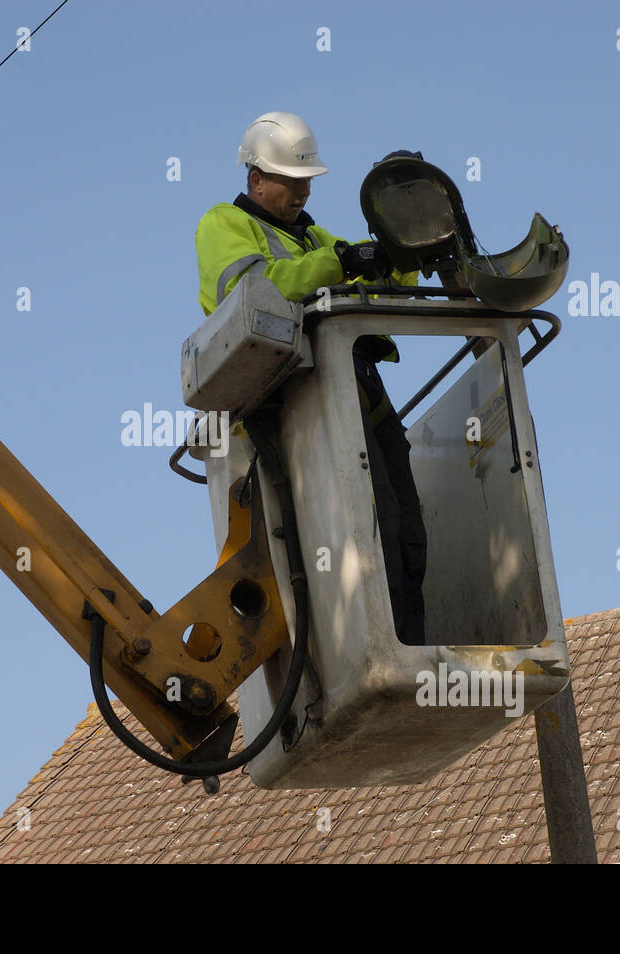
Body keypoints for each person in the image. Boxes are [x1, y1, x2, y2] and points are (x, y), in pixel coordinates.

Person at [194, 111, 427, 645]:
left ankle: (411, 648)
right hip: (299, 403)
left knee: (408, 530)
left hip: (360, 395)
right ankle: (383, 646)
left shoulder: (318, 237)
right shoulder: (222, 225)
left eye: (306, 182)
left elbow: (396, 280)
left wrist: (404, 229)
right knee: (374, 524)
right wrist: (341, 262)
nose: (302, 192)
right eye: (290, 181)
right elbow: (255, 291)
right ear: (256, 179)